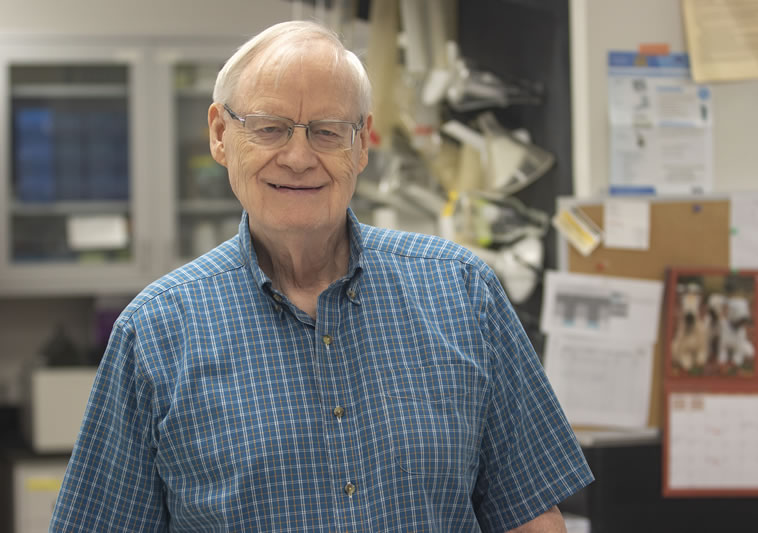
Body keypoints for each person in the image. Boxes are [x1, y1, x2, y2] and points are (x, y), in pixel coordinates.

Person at [50, 20, 593, 532]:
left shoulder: (464, 293)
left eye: (328, 131)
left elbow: (530, 517)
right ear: (219, 134)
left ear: (362, 143)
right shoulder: (155, 335)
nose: (298, 157)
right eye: (270, 128)